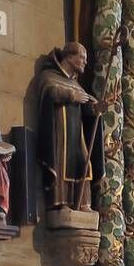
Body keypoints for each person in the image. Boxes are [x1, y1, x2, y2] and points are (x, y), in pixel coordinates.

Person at [35, 41, 105, 210]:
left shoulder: (76, 84)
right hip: (60, 133)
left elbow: (86, 106)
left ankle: (83, 202)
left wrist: (95, 109)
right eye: (82, 57)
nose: (85, 62)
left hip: (76, 134)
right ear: (70, 57)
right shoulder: (50, 76)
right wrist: (71, 95)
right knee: (62, 164)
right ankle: (62, 201)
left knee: (83, 162)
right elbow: (49, 92)